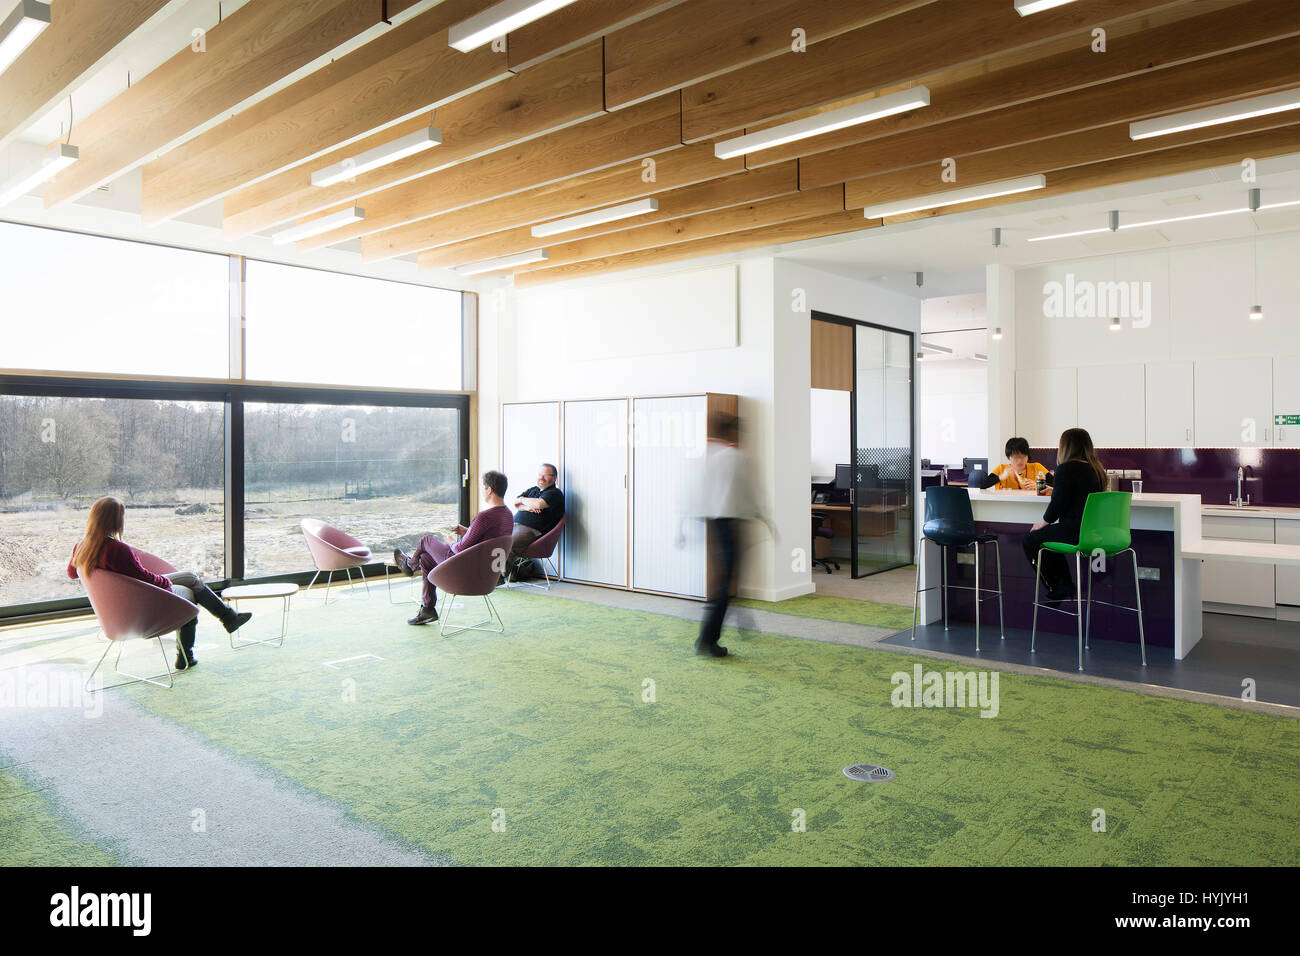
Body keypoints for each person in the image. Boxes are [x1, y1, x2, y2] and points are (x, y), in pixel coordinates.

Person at [67, 496, 251, 672]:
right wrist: (164, 581)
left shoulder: (81, 547)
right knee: (190, 595)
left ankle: (227, 619)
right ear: (116, 520)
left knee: (190, 578)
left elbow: (72, 573)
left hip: (120, 607)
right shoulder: (116, 549)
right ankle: (189, 652)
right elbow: (142, 577)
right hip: (140, 605)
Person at [682, 411, 774, 658]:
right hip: (729, 524)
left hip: (711, 522)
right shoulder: (737, 458)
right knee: (726, 582)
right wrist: (765, 519)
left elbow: (694, 493)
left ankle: (730, 624)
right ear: (732, 432)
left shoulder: (706, 456)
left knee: (723, 580)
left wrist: (683, 524)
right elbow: (751, 493)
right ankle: (708, 639)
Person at [392, 470, 514, 625]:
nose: (482, 491)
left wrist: (450, 541)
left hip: (465, 572)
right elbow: (489, 541)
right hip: (487, 575)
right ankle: (428, 610)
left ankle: (409, 565)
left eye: (482, 487)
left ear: (489, 489)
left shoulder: (484, 517)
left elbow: (460, 549)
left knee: (425, 540)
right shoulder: (508, 515)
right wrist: (468, 531)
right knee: (425, 559)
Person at [1021, 428, 1108, 604]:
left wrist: (1043, 522)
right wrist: (1056, 490)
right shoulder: (1097, 469)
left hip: (1075, 531)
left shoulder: (1066, 468)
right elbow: (1078, 494)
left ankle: (1058, 586)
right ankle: (1064, 584)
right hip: (1095, 531)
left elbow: (1058, 504)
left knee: (1031, 539)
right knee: (1049, 537)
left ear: (1066, 447)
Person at [506, 463, 564, 582]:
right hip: (513, 525)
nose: (541, 477)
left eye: (545, 475)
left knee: (506, 543)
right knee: (491, 539)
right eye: (540, 474)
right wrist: (527, 506)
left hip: (531, 530)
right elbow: (515, 503)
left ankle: (495, 578)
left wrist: (523, 500)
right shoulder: (533, 490)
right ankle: (503, 572)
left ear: (554, 478)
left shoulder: (555, 493)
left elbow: (538, 504)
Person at [980, 437, 1053, 491]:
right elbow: (982, 485)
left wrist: (1039, 485)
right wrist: (1001, 477)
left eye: (1023, 456)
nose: (1020, 461)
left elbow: (1056, 484)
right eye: (1016, 457)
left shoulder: (1036, 467)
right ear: (1009, 457)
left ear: (1028, 456)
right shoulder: (1002, 468)